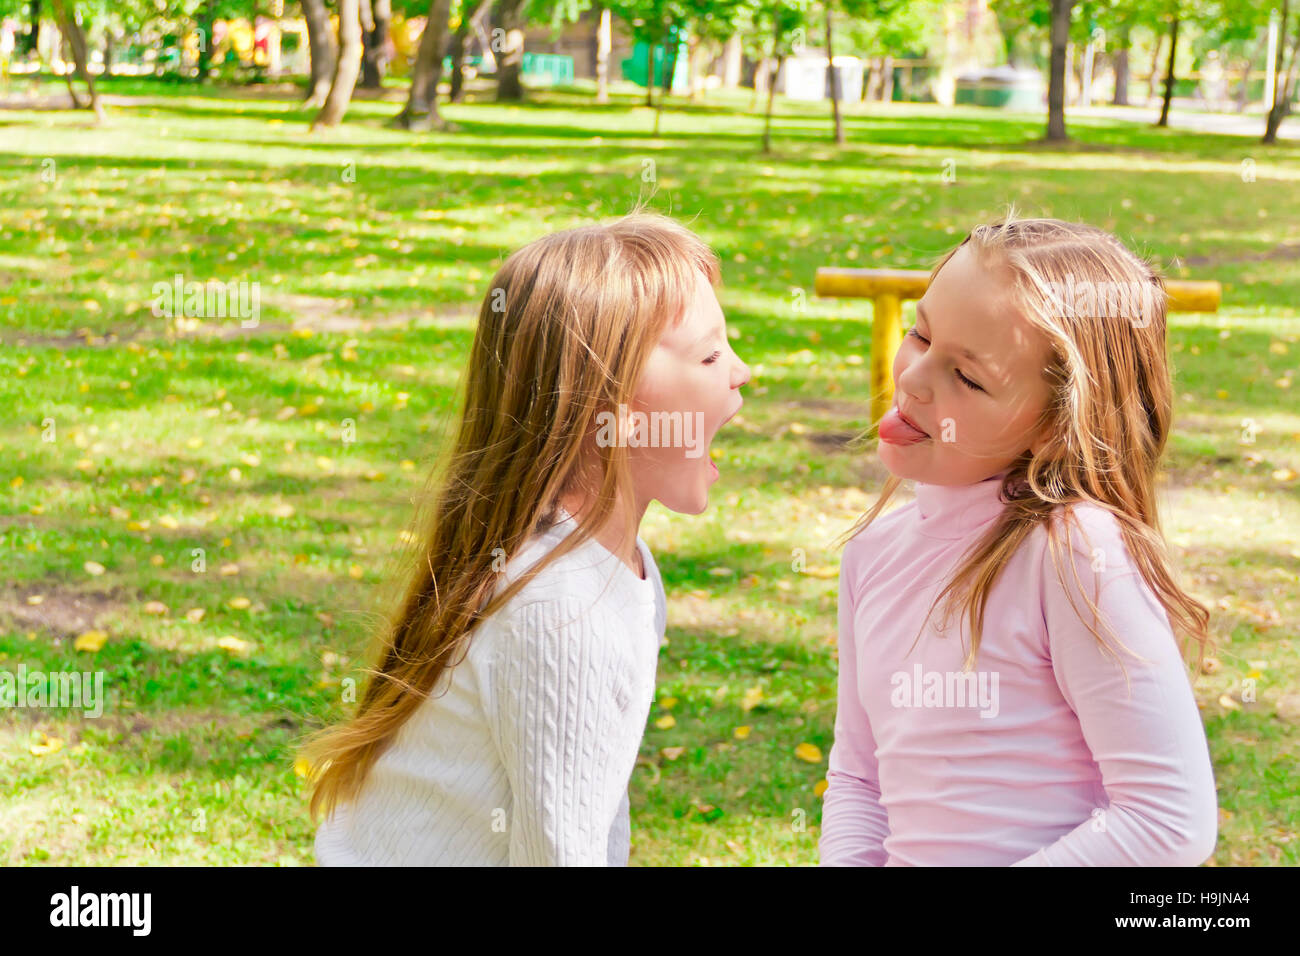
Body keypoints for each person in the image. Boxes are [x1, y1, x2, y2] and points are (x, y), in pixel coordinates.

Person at [303, 210, 749, 865]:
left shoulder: (616, 568)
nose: (741, 371)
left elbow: (589, 818)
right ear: (612, 411)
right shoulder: (562, 611)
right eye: (711, 355)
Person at [820, 213, 1218, 866]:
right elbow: (860, 776)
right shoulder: (871, 555)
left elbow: (1168, 818)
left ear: (1057, 426)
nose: (916, 378)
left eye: (968, 378)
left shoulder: (1073, 551)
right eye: (921, 334)